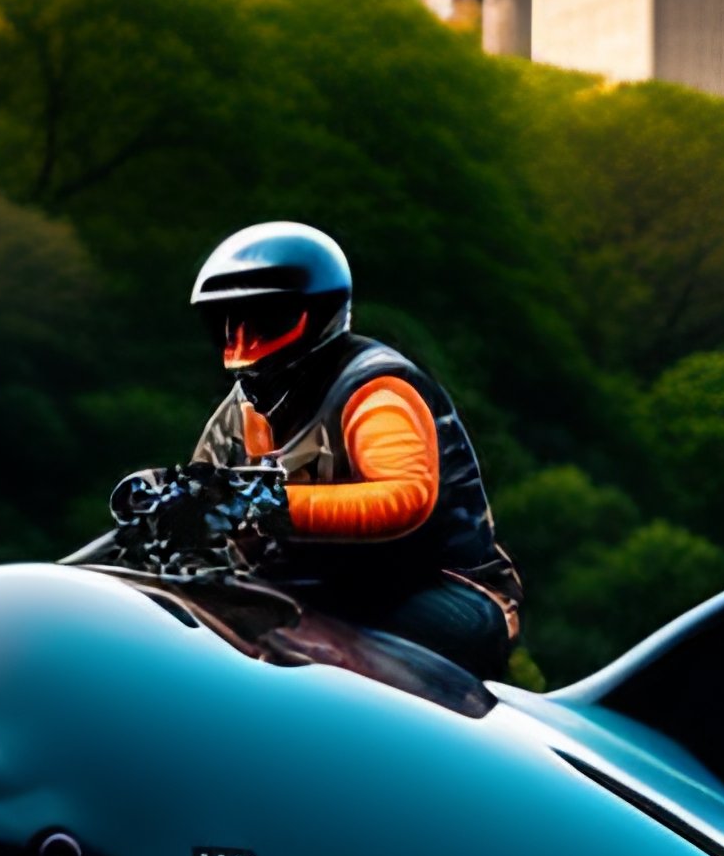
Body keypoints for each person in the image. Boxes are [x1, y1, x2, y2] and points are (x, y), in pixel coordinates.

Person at [184, 219, 522, 681]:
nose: (243, 342)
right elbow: (205, 497)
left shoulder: (375, 389)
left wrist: (255, 503)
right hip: (318, 588)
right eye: (230, 322)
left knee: (279, 631)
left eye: (264, 320)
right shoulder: (239, 412)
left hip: (446, 593)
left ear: (317, 315)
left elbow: (403, 497)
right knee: (204, 614)